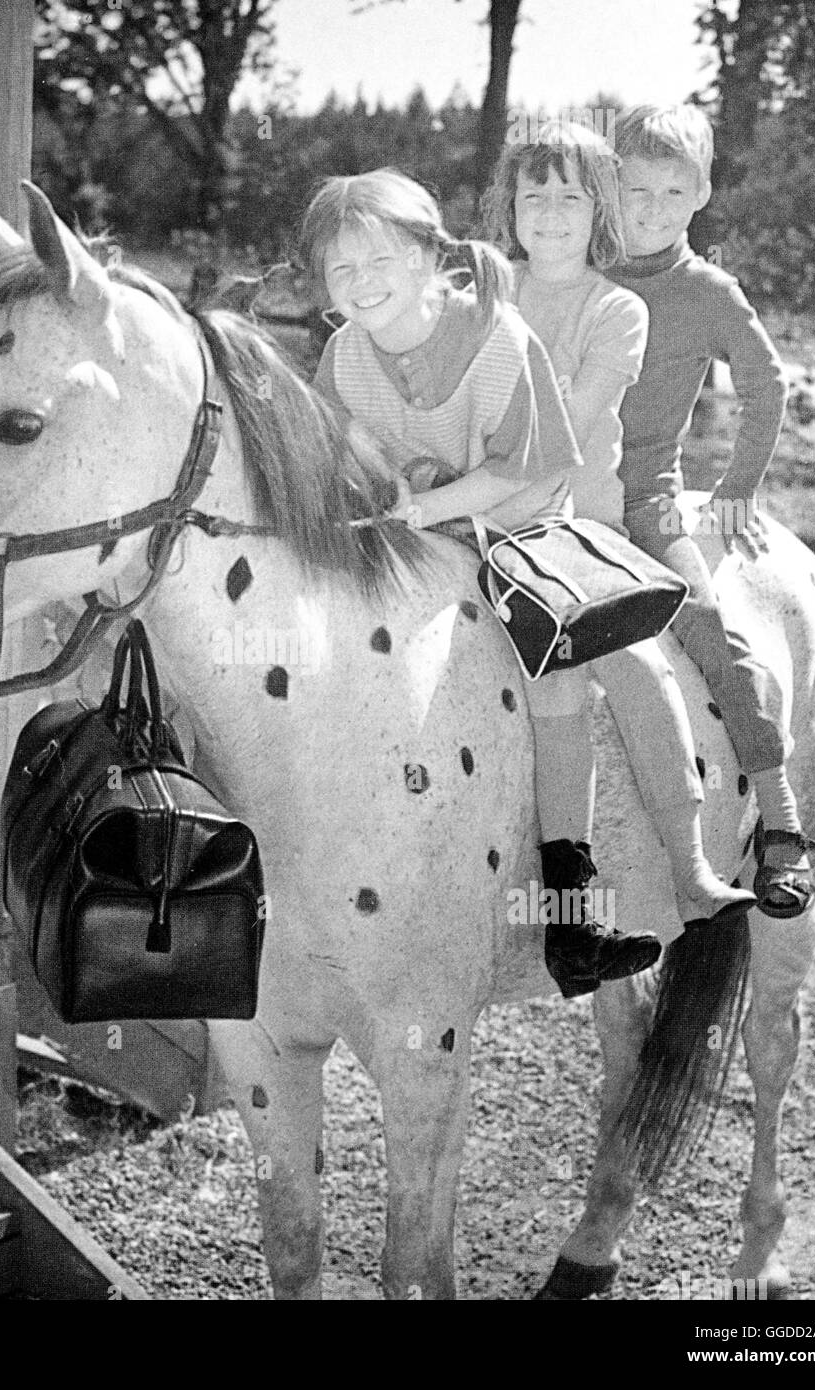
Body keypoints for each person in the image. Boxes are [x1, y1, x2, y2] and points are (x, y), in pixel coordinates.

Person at [299, 168, 662, 998]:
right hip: (414, 533)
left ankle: (572, 911)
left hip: (519, 526)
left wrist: (421, 508)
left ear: (430, 256)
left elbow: (523, 467)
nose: (361, 285)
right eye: (340, 272)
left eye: (380, 261)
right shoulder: (342, 354)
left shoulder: (497, 338)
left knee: (553, 671)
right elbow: (337, 457)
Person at [481, 120, 756, 933]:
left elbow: (560, 433)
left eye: (571, 197)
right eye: (536, 196)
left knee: (636, 666)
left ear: (597, 207)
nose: (553, 214)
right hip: (472, 520)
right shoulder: (485, 289)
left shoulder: (618, 307)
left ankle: (688, 860)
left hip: (574, 527)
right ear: (511, 206)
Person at [609, 105, 815, 919]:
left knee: (703, 624)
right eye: (634, 189)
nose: (651, 207)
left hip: (643, 502)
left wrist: (735, 489)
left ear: (698, 194)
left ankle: (781, 818)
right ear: (607, 188)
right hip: (548, 491)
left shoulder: (704, 291)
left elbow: (767, 387)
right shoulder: (572, 271)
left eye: (671, 190)